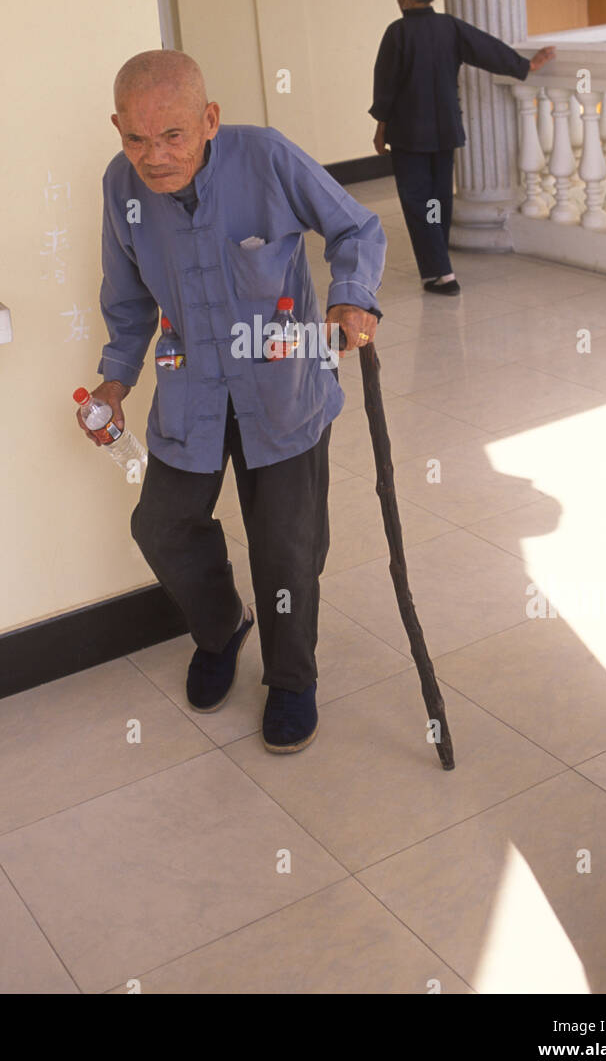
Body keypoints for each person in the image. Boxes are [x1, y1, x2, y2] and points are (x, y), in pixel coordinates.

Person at [78, 50, 386, 753]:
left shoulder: (265, 158)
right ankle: (222, 628)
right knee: (162, 525)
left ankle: (290, 679)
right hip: (192, 386)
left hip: (282, 385)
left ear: (209, 120)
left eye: (173, 136)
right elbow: (126, 299)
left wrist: (350, 299)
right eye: (135, 138)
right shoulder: (120, 187)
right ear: (118, 129)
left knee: (286, 547)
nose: (153, 158)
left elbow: (356, 229)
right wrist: (114, 382)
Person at [369, 0, 555, 294]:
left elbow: (386, 87)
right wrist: (526, 65)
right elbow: (487, 49)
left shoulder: (396, 33)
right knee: (439, 198)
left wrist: (380, 128)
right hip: (445, 129)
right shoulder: (449, 27)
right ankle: (437, 265)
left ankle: (441, 272)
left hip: (409, 132)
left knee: (418, 201)